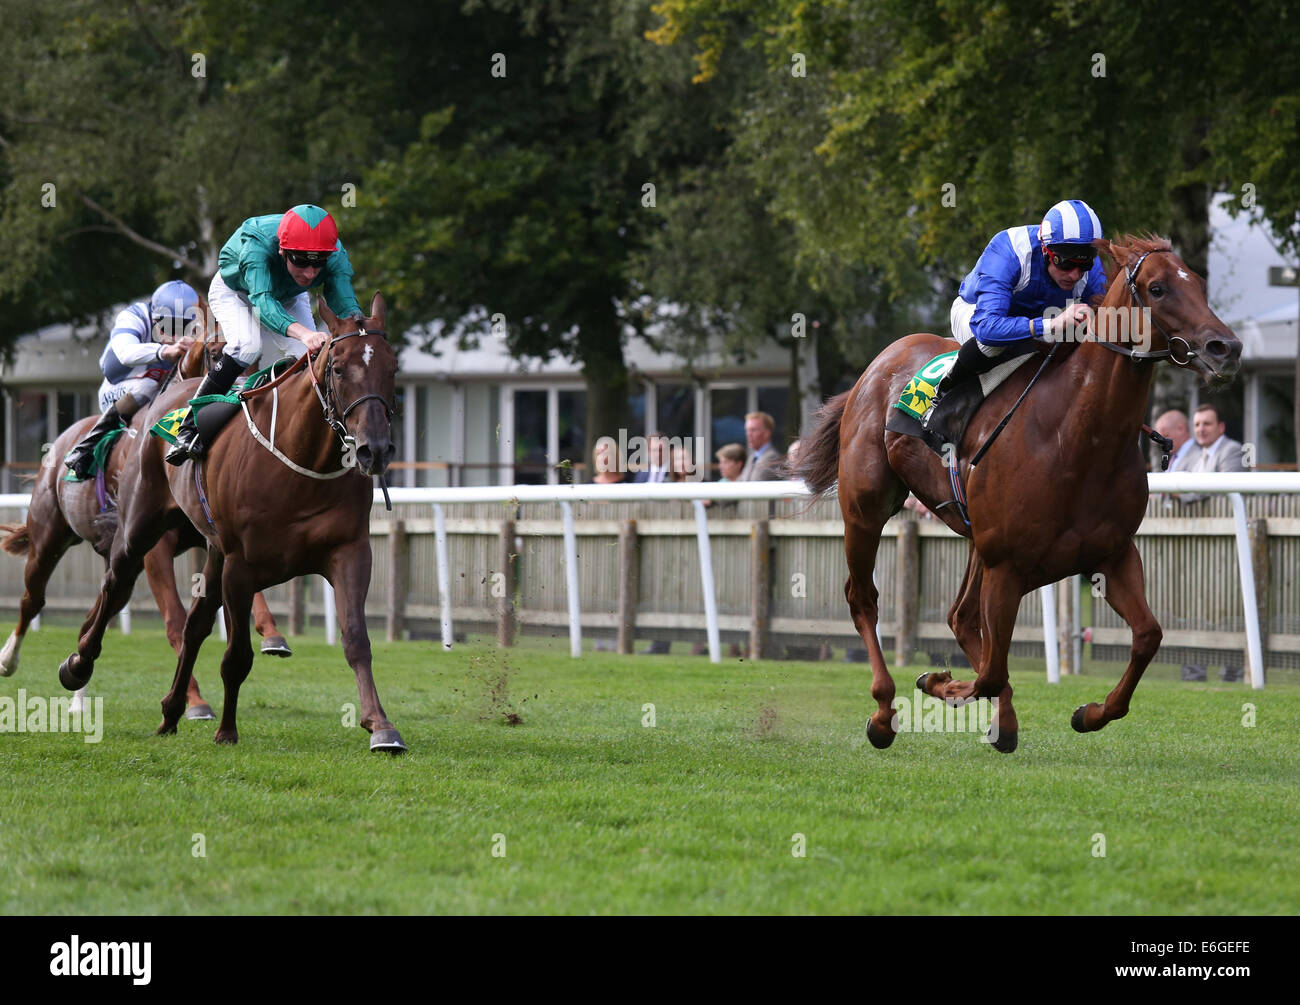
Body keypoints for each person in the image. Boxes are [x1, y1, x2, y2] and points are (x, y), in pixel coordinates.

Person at [165, 204, 366, 465]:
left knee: (306, 359)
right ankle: (189, 427)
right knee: (248, 346)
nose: (309, 273)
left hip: (287, 296)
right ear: (282, 250)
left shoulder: (335, 252)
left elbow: (344, 301)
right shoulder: (258, 244)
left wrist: (360, 329)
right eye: (301, 261)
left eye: (318, 264)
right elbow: (263, 303)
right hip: (236, 293)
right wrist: (305, 334)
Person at [937, 199, 1109, 400]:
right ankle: (944, 394)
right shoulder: (1009, 250)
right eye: (1065, 264)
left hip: (1037, 323)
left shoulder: (1091, 266)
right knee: (994, 344)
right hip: (976, 315)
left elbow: (1108, 325)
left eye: (1084, 265)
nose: (1074, 275)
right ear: (1046, 249)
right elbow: (987, 328)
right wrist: (1052, 324)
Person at [64, 280, 200, 480]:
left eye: (182, 325)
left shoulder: (195, 329)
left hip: (161, 390)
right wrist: (164, 350)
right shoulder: (133, 316)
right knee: (148, 385)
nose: (175, 332)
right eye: (168, 324)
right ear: (154, 317)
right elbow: (125, 353)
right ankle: (85, 447)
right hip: (120, 387)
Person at [1179, 403, 1246, 503]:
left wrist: (1180, 495)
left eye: (1207, 424)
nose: (1201, 429)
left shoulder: (1232, 450)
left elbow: (1225, 489)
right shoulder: (1199, 453)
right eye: (1197, 425)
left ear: (1221, 427)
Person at [740, 412, 784, 480]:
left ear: (767, 433)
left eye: (753, 430)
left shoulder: (772, 458)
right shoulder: (752, 457)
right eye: (747, 430)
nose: (748, 434)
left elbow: (755, 485)